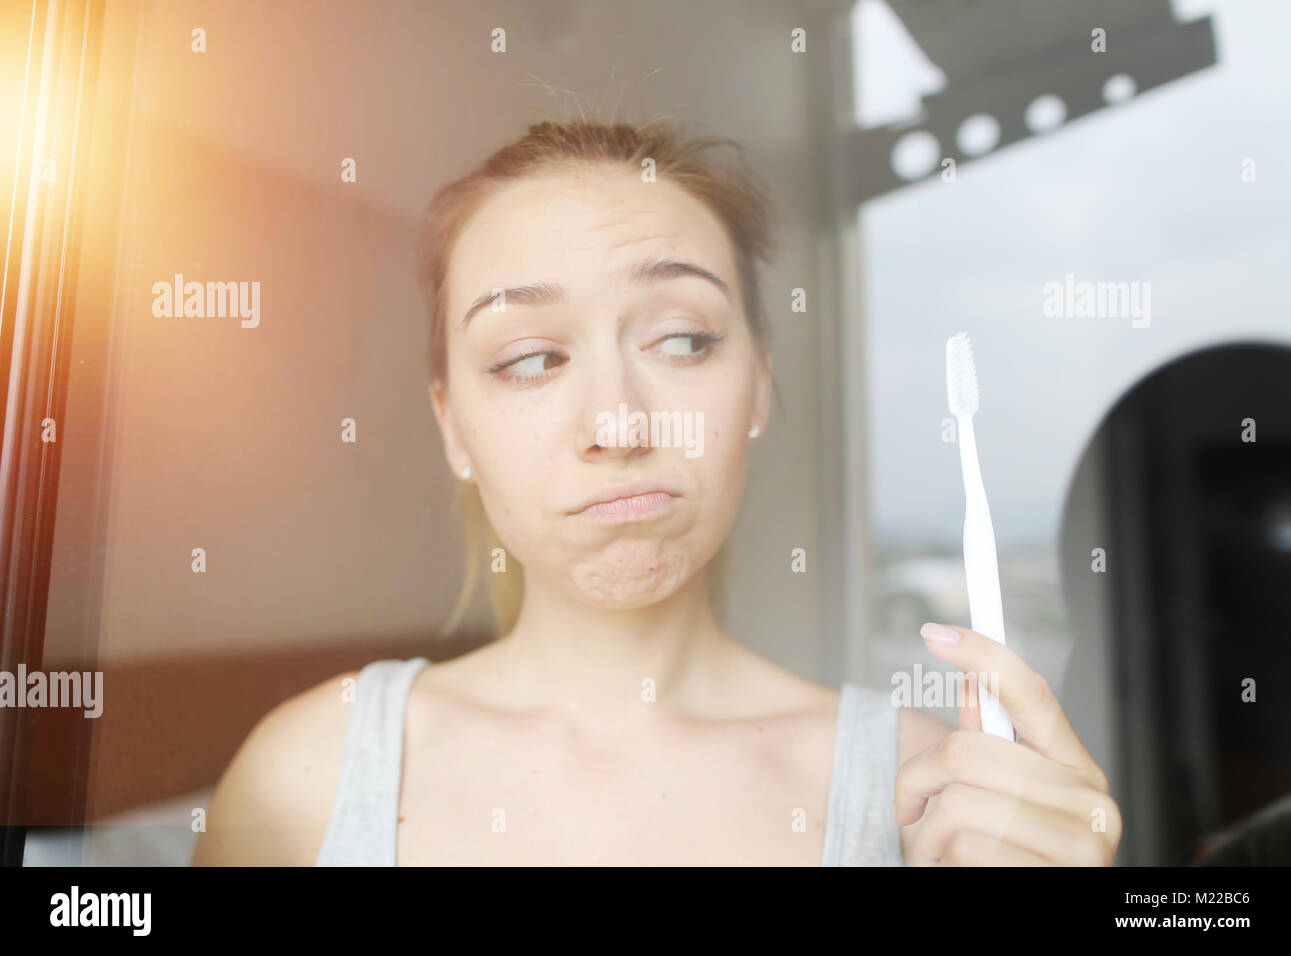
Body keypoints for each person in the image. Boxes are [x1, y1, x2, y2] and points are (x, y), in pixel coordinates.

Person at [192, 118, 1119, 866]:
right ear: (452, 426)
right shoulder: (303, 777)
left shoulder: (936, 795)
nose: (623, 425)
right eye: (530, 358)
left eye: (682, 342)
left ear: (758, 383)